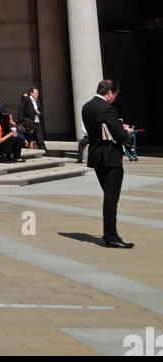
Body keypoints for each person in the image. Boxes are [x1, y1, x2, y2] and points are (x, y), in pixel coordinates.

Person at [81, 79, 134, 249]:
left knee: (108, 196)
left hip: (96, 156)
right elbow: (119, 133)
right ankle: (111, 237)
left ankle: (109, 234)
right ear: (109, 92)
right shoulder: (106, 108)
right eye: (114, 96)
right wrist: (126, 131)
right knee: (111, 199)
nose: (114, 99)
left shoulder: (87, 107)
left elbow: (95, 129)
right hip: (110, 158)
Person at [18, 86, 48, 153]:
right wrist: (20, 121)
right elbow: (21, 109)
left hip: (36, 123)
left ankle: (45, 154)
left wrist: (38, 113)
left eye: (37, 93)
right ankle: (20, 153)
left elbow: (39, 112)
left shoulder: (37, 102)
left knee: (40, 139)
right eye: (36, 93)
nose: (37, 94)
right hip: (29, 123)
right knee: (27, 139)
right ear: (31, 93)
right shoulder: (26, 99)